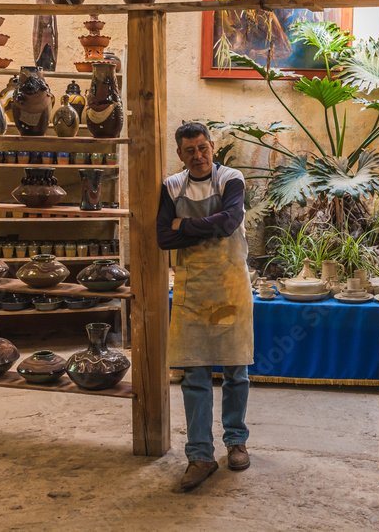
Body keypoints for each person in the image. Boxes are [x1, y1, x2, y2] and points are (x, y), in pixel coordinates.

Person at [157, 122, 254, 492]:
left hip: (230, 284)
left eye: (202, 148)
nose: (197, 156)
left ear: (212, 147)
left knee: (236, 370)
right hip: (192, 288)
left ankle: (236, 442)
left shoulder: (231, 179)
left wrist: (185, 223)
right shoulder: (171, 186)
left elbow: (229, 223)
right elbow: (164, 236)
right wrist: (200, 226)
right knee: (194, 376)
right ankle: (199, 454)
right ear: (180, 154)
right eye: (189, 151)